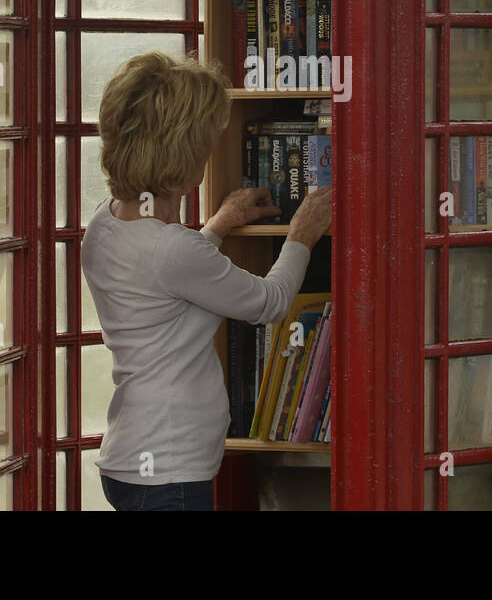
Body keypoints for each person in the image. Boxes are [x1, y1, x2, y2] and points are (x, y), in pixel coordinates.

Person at [81, 51, 333, 511]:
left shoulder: (104, 224)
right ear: (183, 154)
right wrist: (302, 233)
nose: (211, 149)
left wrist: (217, 225)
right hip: (171, 472)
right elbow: (272, 302)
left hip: (129, 462)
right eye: (205, 141)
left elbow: (164, 278)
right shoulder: (175, 251)